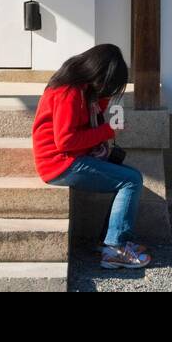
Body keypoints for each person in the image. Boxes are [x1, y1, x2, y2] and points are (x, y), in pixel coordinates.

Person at [32, 44, 150, 269]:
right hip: (60, 163)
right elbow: (65, 141)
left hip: (66, 159)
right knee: (130, 180)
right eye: (109, 85)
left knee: (129, 176)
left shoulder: (79, 89)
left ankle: (108, 242)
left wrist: (102, 100)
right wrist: (108, 132)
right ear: (100, 75)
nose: (108, 90)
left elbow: (83, 124)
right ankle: (115, 248)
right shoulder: (69, 93)